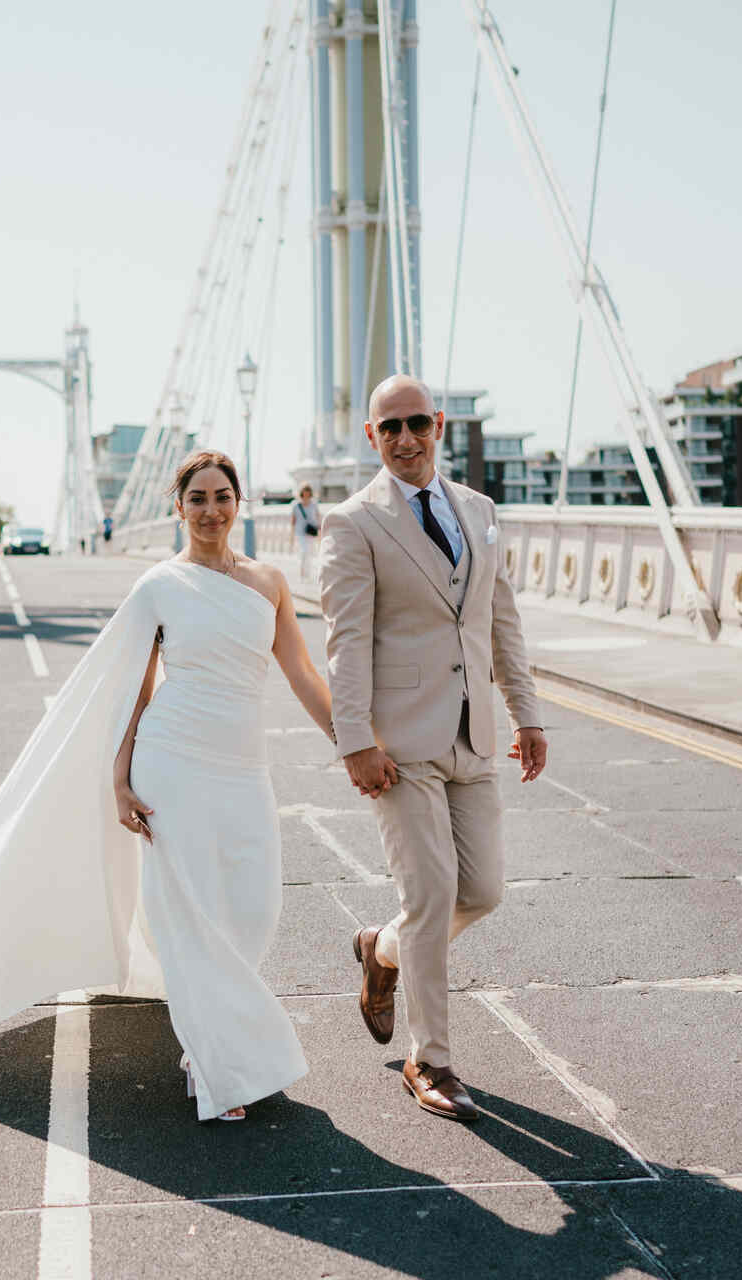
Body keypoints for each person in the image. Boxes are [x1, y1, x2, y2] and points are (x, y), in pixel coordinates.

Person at [0, 449, 332, 1123]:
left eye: (221, 496)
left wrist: (354, 745)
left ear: (239, 503)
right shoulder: (159, 586)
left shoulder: (269, 581)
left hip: (243, 767)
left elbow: (303, 674)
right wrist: (119, 779)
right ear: (178, 509)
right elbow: (130, 690)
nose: (210, 509)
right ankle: (215, 1061)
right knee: (193, 914)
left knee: (250, 909)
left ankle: (217, 1035)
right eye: (196, 498)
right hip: (172, 763)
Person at [318, 373, 549, 1124]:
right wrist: (354, 739)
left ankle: (379, 950)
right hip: (397, 743)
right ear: (371, 438)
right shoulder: (352, 523)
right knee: (431, 896)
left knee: (480, 892)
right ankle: (432, 1060)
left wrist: (527, 714)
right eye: (390, 429)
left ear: (439, 424)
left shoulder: (478, 511)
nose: (406, 440)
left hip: (471, 733)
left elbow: (497, 622)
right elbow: (345, 640)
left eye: (417, 423)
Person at [289, 484, 322, 580]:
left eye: (308, 494)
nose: (306, 496)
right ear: (302, 494)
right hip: (300, 533)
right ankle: (302, 574)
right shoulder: (295, 505)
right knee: (304, 552)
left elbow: (318, 516)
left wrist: (320, 529)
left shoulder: (314, 504)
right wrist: (291, 536)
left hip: (311, 532)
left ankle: (307, 574)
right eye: (304, 493)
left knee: (310, 553)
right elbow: (293, 521)